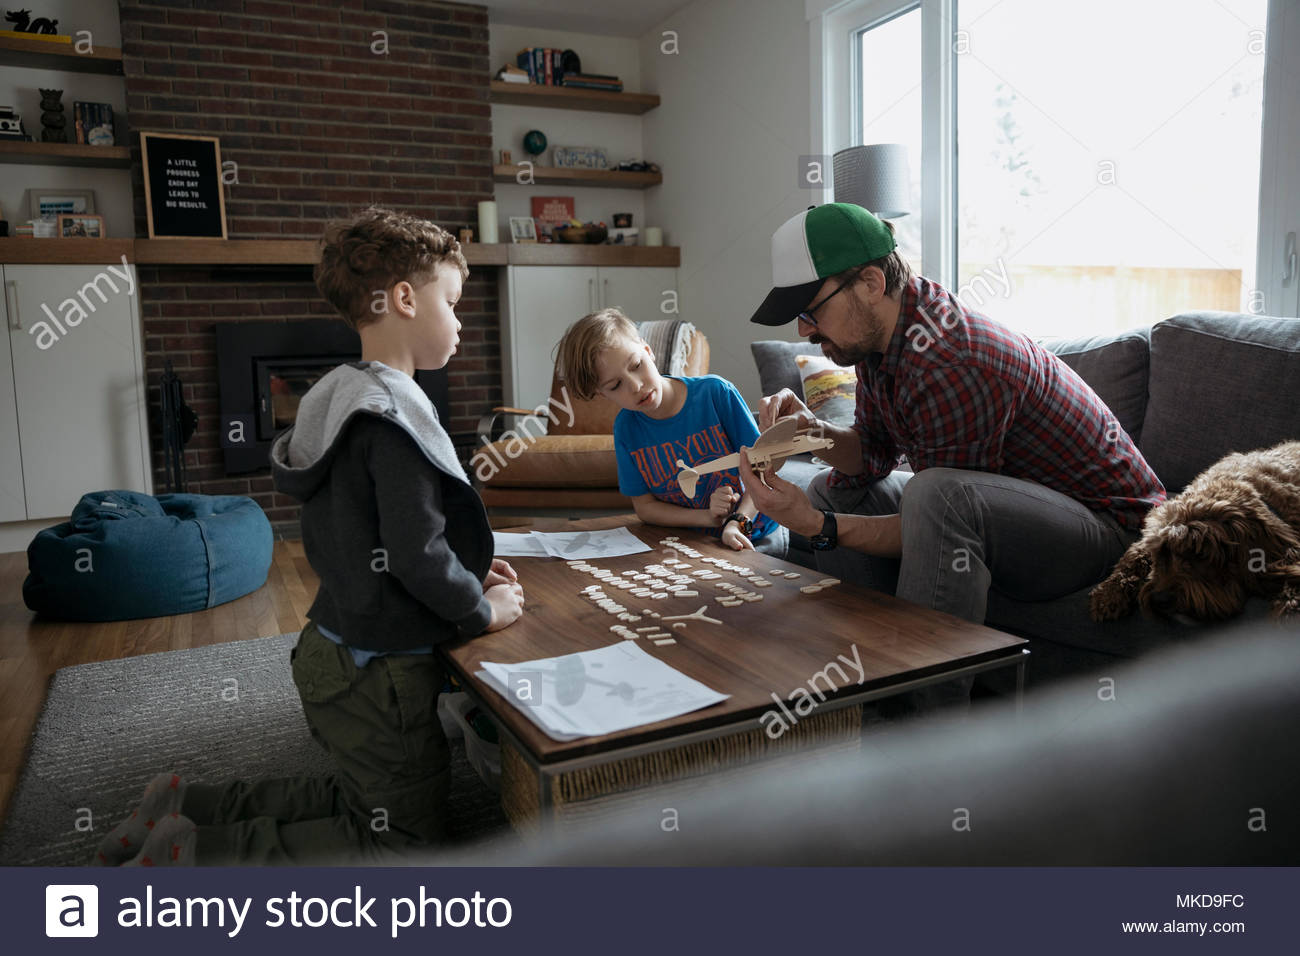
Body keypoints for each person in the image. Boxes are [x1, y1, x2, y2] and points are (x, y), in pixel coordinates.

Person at [93, 207, 525, 867]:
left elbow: (380, 534)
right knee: (399, 843)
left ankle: (182, 804)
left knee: (365, 792)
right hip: (378, 675)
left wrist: (465, 572)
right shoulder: (392, 419)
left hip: (331, 648)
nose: (462, 321)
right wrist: (476, 608)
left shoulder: (340, 392)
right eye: (453, 302)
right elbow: (414, 551)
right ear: (405, 299)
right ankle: (192, 852)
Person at [740, 203, 1165, 710]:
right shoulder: (882, 343)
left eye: (812, 310)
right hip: (1024, 513)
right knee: (836, 486)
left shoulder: (950, 360)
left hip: (1111, 533)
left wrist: (818, 526)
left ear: (872, 283)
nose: (804, 331)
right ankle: (873, 680)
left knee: (935, 494)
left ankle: (932, 726)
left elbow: (941, 515)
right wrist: (815, 434)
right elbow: (873, 457)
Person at [555, 308, 787, 556]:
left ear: (648, 351)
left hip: (759, 532)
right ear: (603, 394)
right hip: (694, 542)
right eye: (615, 385)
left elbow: (764, 470)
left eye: (636, 365)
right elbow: (645, 507)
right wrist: (707, 518)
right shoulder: (626, 428)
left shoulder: (716, 393)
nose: (636, 386)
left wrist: (736, 522)